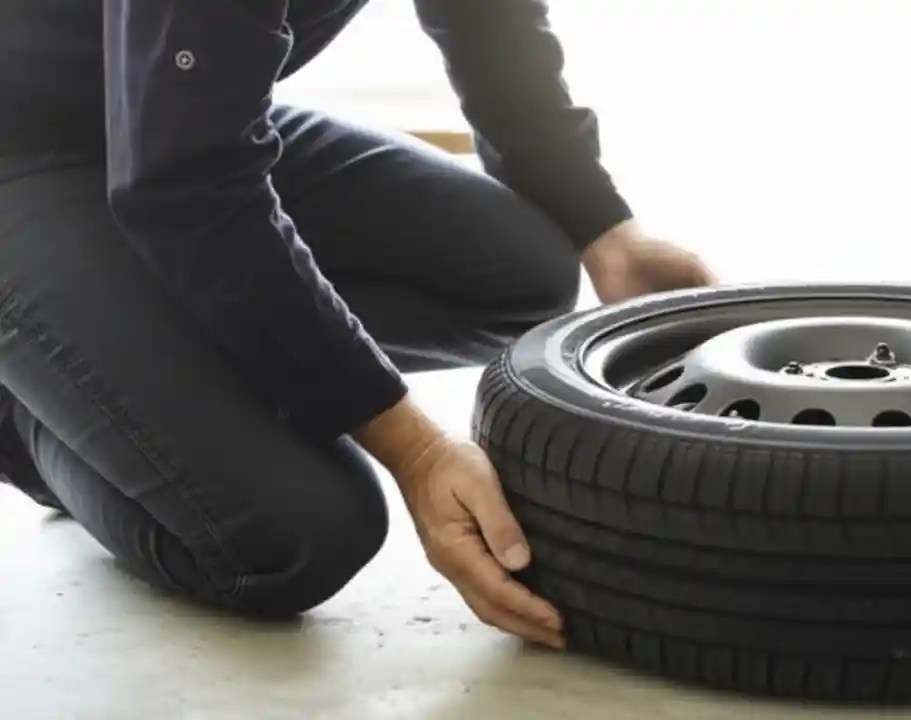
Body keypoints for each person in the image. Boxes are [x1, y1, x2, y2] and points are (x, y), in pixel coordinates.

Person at [0, 0, 713, 650]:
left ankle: (125, 356)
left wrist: (604, 231)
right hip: (25, 149)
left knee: (523, 278)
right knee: (301, 534)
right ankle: (32, 420)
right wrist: (418, 450)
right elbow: (183, 186)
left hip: (160, 109)